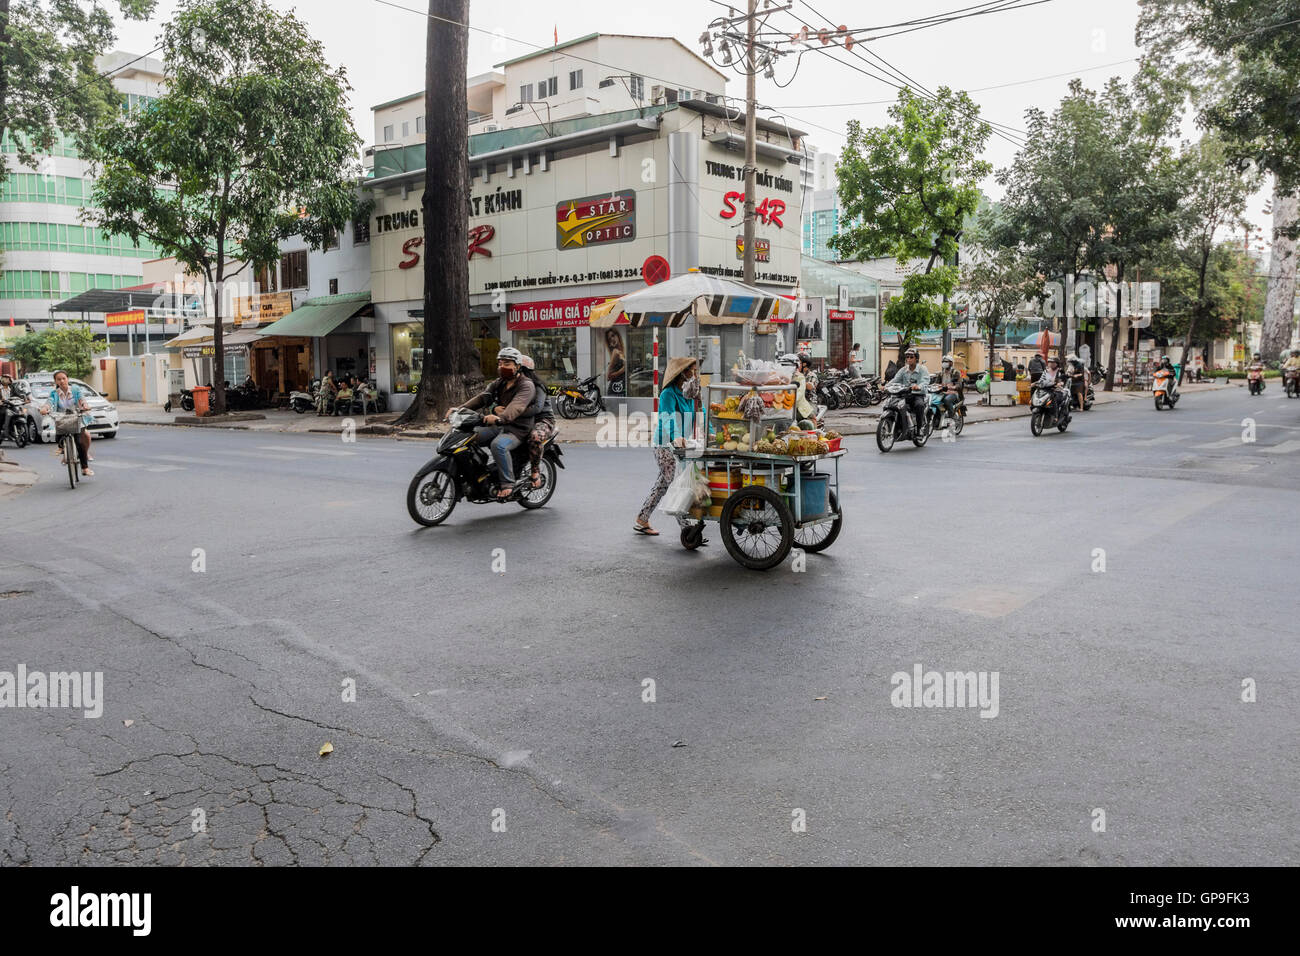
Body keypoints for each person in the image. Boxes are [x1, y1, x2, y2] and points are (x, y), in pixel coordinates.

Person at [448, 347, 536, 499]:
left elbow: (517, 406)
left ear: (517, 366)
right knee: (469, 437)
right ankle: (481, 474)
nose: (502, 367)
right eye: (500, 363)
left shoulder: (526, 385)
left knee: (498, 445)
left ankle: (508, 483)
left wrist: (500, 418)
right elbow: (482, 398)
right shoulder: (499, 382)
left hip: (517, 429)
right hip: (498, 425)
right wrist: (460, 409)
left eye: (507, 363)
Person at [634, 356, 697, 536]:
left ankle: (642, 519)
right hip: (664, 445)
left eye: (693, 370)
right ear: (680, 374)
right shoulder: (667, 394)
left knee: (662, 485)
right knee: (678, 483)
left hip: (681, 446)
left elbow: (700, 415)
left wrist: (709, 431)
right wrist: (676, 436)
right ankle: (688, 529)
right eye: (689, 371)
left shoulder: (690, 394)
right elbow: (667, 417)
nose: (693, 374)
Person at [39, 370, 93, 476]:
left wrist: (84, 406)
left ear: (67, 379)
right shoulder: (54, 393)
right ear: (56, 381)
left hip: (76, 417)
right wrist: (44, 408)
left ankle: (85, 468)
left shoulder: (76, 390)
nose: (62, 381)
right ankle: (65, 452)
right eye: (59, 379)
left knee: (79, 442)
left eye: (64, 378)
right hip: (62, 418)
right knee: (59, 437)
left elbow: (82, 399)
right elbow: (49, 402)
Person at [518, 355, 556, 490]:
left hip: (543, 420)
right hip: (522, 420)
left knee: (535, 436)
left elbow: (537, 408)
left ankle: (535, 471)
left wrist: (515, 413)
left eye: (520, 370)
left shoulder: (538, 386)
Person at [889, 347, 930, 433]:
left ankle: (919, 429)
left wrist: (918, 386)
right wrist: (886, 386)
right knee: (892, 404)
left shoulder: (922, 369)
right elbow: (895, 379)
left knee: (919, 405)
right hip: (905, 395)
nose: (908, 359)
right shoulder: (903, 370)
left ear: (916, 358)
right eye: (907, 357)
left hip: (918, 395)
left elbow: (925, 381)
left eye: (911, 357)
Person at [936, 354, 964, 421]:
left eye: (946, 361)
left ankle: (952, 415)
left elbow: (959, 385)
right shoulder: (941, 373)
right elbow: (936, 383)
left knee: (947, 400)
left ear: (951, 363)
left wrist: (953, 387)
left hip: (953, 393)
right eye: (943, 362)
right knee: (934, 401)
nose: (944, 363)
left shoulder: (955, 373)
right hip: (943, 393)